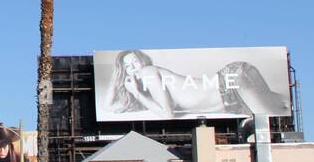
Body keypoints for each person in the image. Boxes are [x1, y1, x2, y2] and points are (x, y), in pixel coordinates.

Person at [106, 49, 290, 119]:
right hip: (232, 93)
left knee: (266, 119)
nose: (134, 68)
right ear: (124, 73)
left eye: (135, 62)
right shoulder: (147, 89)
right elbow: (108, 106)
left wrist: (136, 93)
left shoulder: (149, 72)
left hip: (230, 83)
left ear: (143, 61)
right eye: (127, 67)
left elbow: (168, 115)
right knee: (282, 107)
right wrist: (120, 82)